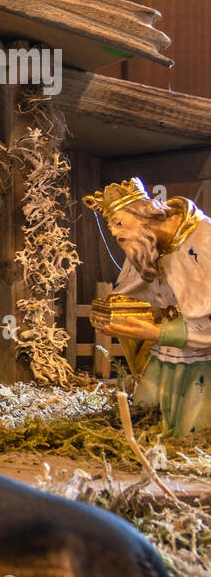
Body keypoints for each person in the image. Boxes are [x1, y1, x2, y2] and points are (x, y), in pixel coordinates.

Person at [86, 178, 211, 435]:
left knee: (192, 425)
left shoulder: (204, 240)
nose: (113, 232)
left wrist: (157, 333)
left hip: (203, 360)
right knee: (147, 415)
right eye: (110, 225)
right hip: (169, 350)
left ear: (145, 214)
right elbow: (137, 290)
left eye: (118, 223)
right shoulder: (147, 245)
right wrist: (112, 313)